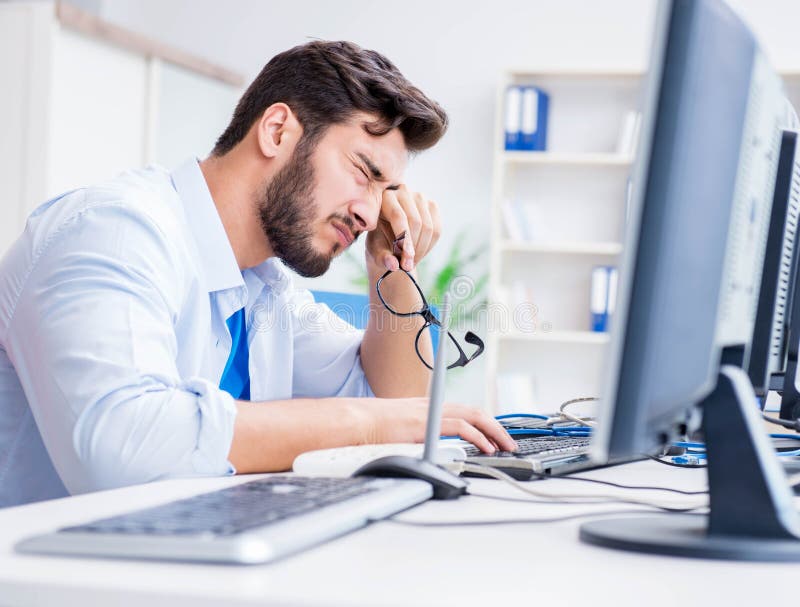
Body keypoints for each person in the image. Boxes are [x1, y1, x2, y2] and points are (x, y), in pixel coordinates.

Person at [0, 40, 514, 508]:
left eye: (388, 193)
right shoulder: (114, 230)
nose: (370, 213)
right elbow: (123, 447)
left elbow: (398, 408)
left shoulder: (266, 286)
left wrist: (391, 263)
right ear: (277, 131)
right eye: (364, 172)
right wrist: (366, 424)